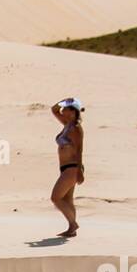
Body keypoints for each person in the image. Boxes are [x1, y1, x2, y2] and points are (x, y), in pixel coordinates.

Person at [51, 98, 85, 237]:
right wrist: (63, 101)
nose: (62, 110)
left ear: (72, 111)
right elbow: (53, 109)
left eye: (65, 108)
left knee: (56, 198)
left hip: (72, 168)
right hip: (65, 168)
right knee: (67, 200)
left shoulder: (75, 128)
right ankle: (71, 229)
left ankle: (73, 223)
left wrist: (79, 171)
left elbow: (79, 150)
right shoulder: (67, 124)